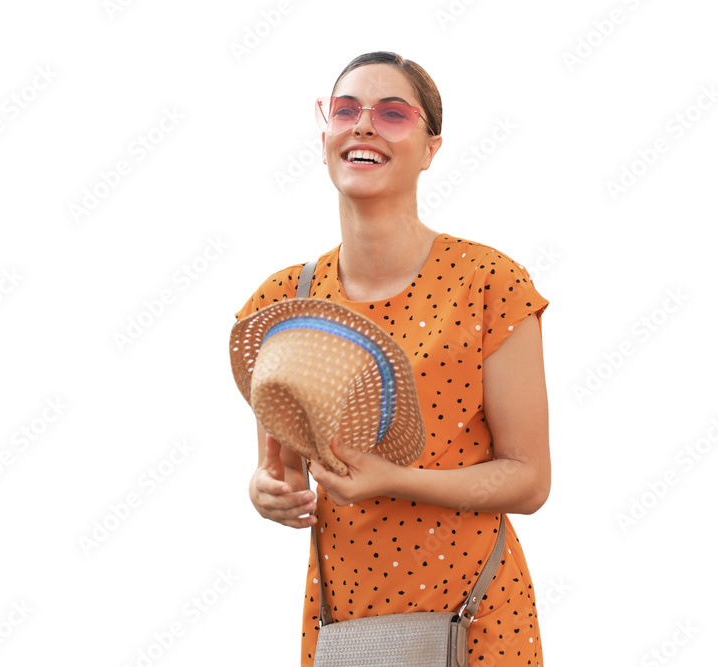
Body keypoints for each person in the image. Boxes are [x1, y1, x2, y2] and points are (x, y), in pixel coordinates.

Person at [235, 51, 550, 666]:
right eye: (346, 109)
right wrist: (268, 492)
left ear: (431, 148)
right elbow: (284, 472)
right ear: (324, 130)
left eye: (392, 113)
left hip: (478, 619)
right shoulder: (285, 301)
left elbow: (530, 479)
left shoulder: (489, 284)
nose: (363, 125)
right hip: (348, 623)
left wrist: (395, 480)